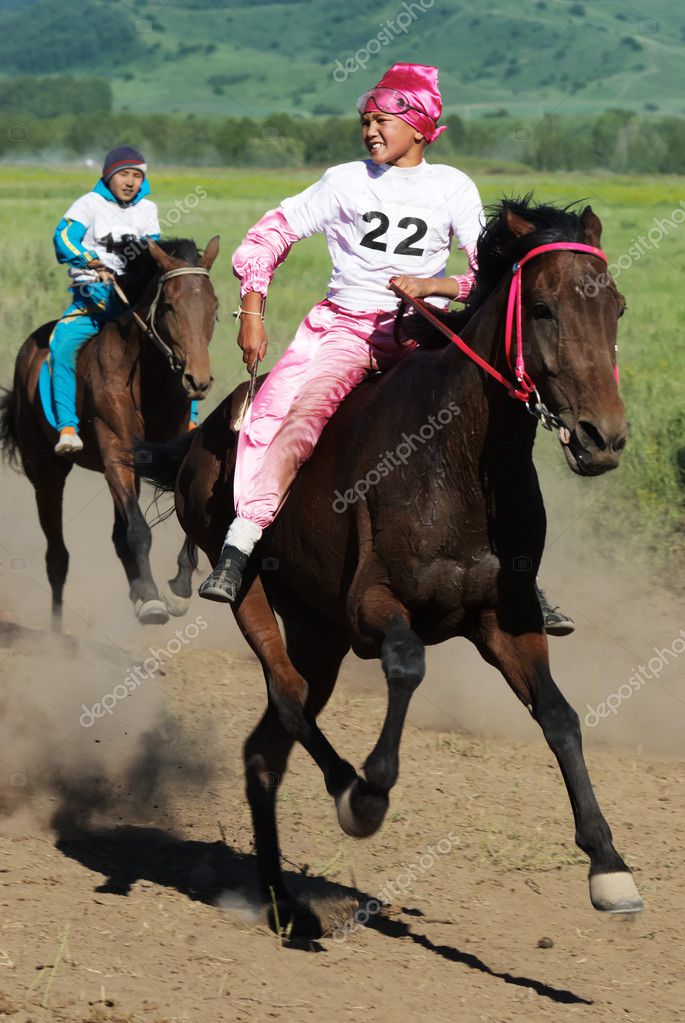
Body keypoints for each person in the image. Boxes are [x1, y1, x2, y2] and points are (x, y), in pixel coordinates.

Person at [199, 63, 575, 636]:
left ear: (420, 127)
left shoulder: (453, 187)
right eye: (366, 121)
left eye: (383, 120)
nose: (371, 130)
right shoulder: (343, 181)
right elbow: (268, 234)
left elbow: (485, 276)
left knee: (495, 422)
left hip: (426, 332)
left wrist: (432, 286)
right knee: (298, 419)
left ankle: (520, 575)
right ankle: (243, 538)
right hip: (347, 331)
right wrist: (251, 309)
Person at [50, 145, 166, 454]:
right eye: (124, 174)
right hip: (91, 301)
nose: (130, 182)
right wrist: (90, 262)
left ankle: (188, 420)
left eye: (137, 175)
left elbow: (152, 253)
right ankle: (68, 427)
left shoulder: (148, 210)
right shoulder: (88, 204)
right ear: (108, 175)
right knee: (60, 346)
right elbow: (63, 238)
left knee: (175, 343)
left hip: (130, 301)